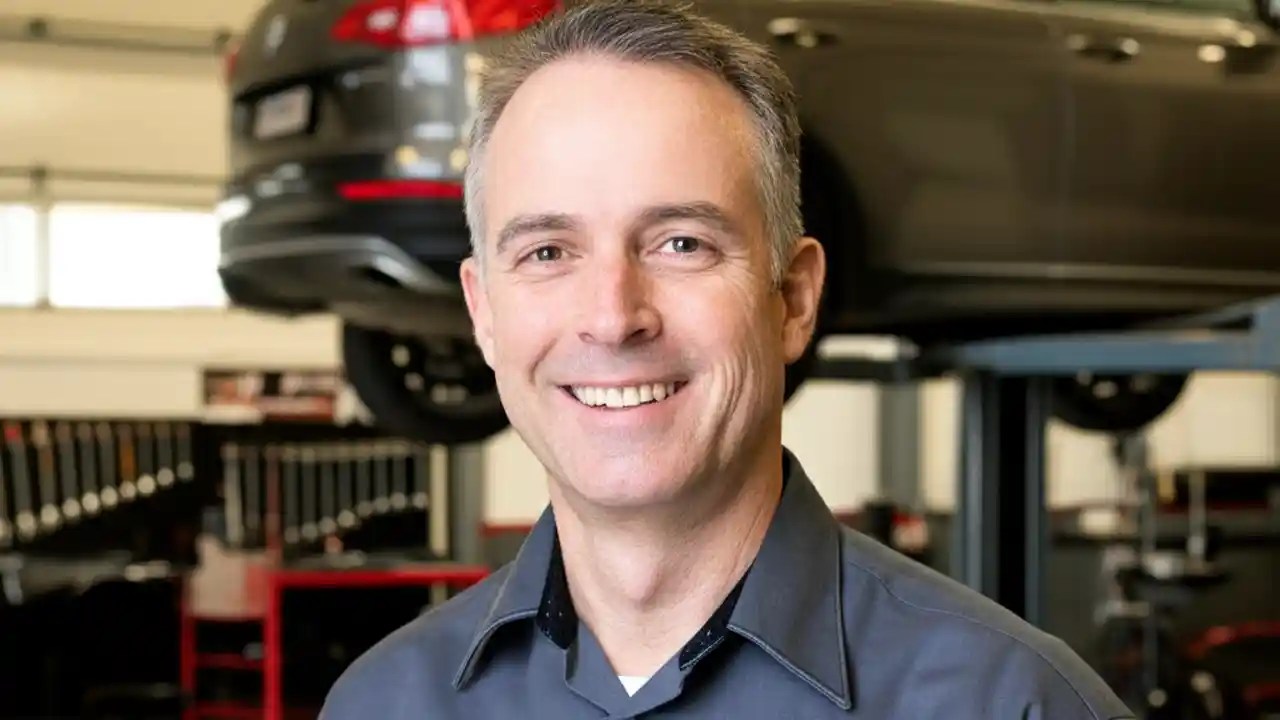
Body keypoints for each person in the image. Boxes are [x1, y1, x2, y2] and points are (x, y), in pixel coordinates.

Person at [320, 1, 1135, 717]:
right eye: (547, 252)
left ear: (794, 298)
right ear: (483, 313)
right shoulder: (384, 703)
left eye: (681, 243)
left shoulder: (1008, 704)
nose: (613, 317)